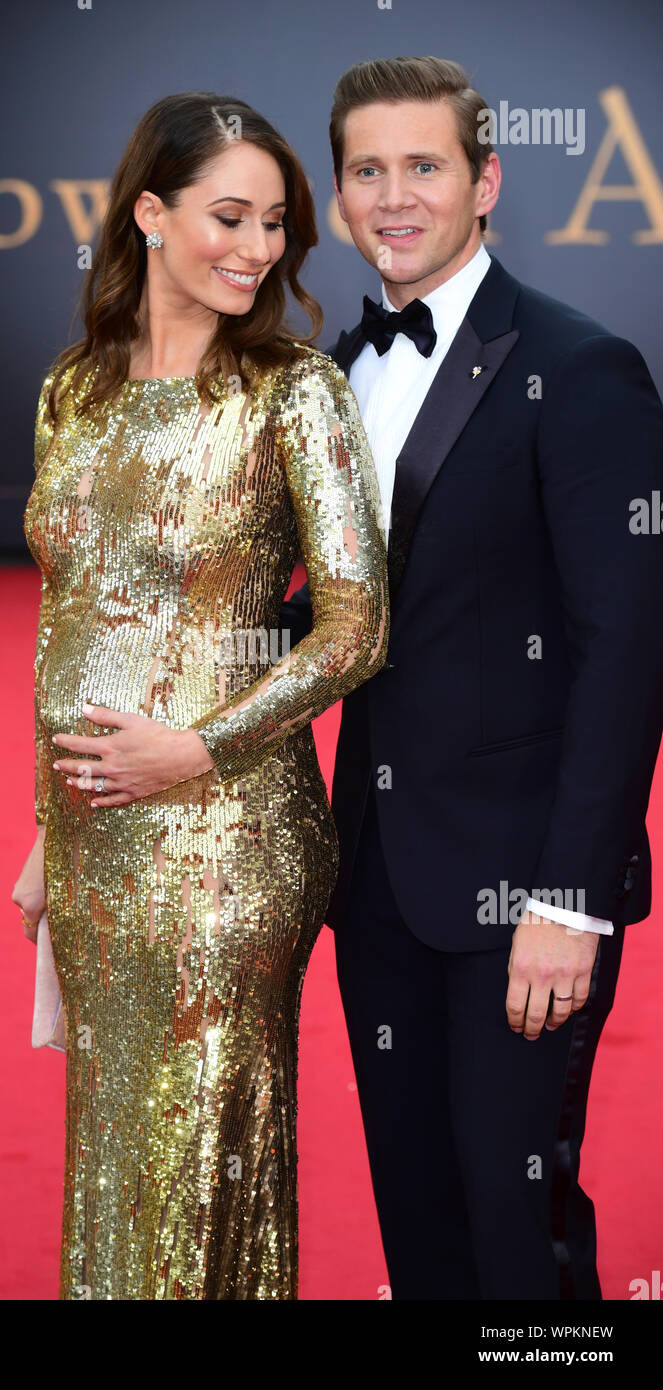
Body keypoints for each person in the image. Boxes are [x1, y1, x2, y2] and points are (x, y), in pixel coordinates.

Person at [281, 55, 663, 1300]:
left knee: (519, 1238)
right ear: (338, 195)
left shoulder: (583, 366)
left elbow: (628, 646)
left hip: (523, 895)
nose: (395, 197)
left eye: (425, 166)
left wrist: (570, 899)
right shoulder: (335, 376)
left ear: (486, 181)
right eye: (367, 171)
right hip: (380, 881)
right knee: (423, 1228)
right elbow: (331, 620)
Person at [12, 91, 389, 1300]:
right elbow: (72, 619)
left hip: (232, 842)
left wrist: (199, 749)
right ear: (150, 214)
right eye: (231, 215)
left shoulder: (293, 391)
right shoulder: (72, 390)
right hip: (95, 839)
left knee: (197, 1160)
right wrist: (44, 828)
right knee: (118, 1152)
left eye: (276, 224)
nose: (259, 248)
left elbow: (356, 625)